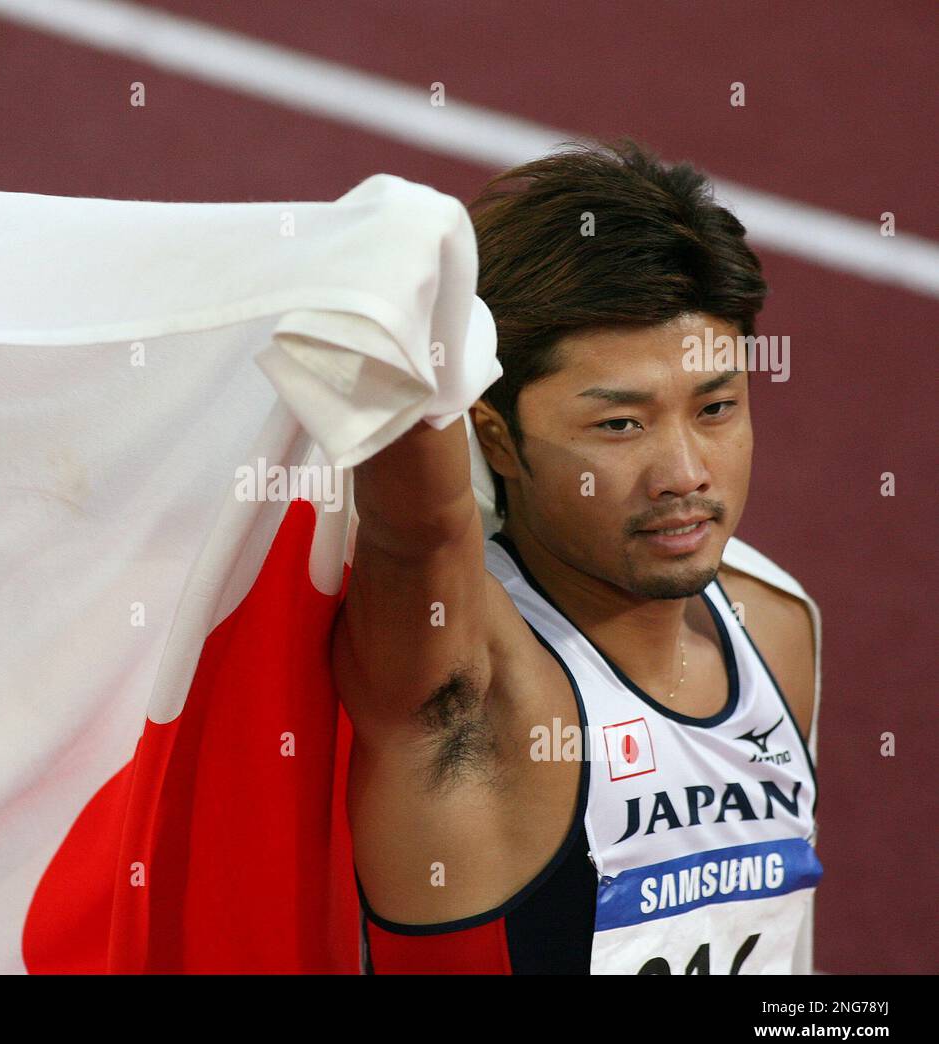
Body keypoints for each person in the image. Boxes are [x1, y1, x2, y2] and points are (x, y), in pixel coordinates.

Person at [333, 141, 822, 974]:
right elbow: (418, 537)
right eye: (621, 424)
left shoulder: (775, 626)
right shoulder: (471, 686)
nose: (685, 474)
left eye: (716, 407)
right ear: (498, 437)